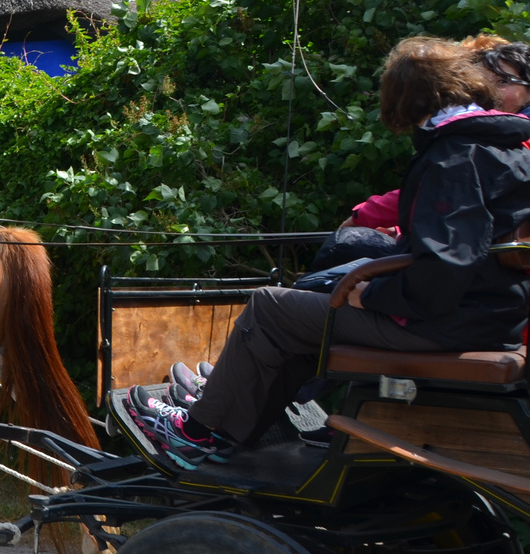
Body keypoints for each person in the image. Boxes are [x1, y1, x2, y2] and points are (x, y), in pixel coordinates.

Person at [129, 36, 530, 469]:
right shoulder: (506, 147)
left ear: (413, 100)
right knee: (314, 301)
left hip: (448, 323)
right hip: (492, 314)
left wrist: (374, 295)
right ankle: (233, 421)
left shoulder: (457, 155)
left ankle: (194, 435)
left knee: (270, 307)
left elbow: (447, 265)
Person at [308, 37, 530, 272]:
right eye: (485, 78)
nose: (489, 88)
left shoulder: (499, 140)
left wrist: (367, 215)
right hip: (491, 279)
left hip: (489, 284)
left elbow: (446, 195)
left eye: (504, 81)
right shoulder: (493, 132)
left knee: (343, 248)